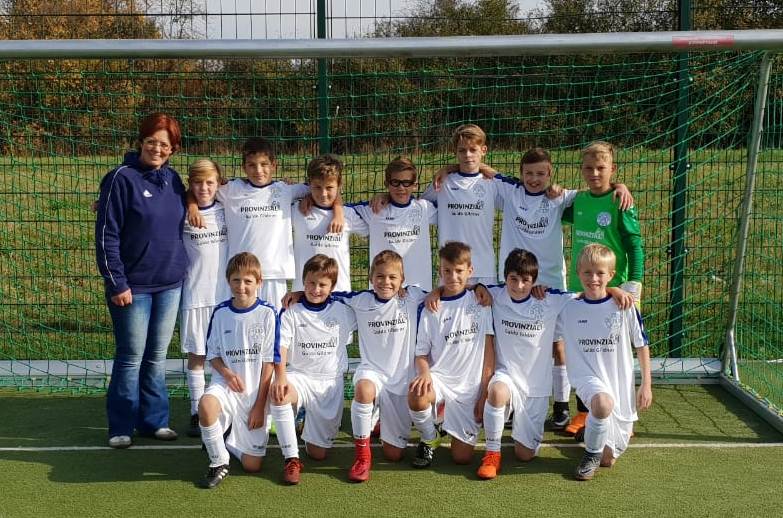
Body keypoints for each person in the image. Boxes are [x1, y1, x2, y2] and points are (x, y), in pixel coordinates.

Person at [476, 249, 632, 480]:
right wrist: (474, 287)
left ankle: (527, 434)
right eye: (513, 279)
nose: (519, 286)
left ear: (534, 281)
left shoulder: (550, 299)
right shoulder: (494, 294)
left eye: (525, 280)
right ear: (505, 276)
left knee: (524, 455)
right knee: (497, 391)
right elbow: (464, 288)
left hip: (536, 387)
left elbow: (587, 292)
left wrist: (613, 289)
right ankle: (492, 454)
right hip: (507, 376)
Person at [95, 112, 188, 448]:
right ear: (140, 142)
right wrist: (116, 282)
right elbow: (107, 235)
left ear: (173, 149)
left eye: (164, 144)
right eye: (151, 141)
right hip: (132, 288)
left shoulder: (174, 179)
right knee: (131, 356)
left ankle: (154, 421)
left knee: (156, 356)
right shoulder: (120, 178)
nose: (157, 148)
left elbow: (195, 204)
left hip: (170, 284)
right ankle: (121, 424)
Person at [187, 138, 343, 310]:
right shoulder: (232, 189)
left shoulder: (285, 189)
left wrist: (338, 211)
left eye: (264, 164)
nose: (258, 170)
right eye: (252, 165)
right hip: (241, 275)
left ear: (274, 165)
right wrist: (192, 207)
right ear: (243, 167)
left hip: (274, 274)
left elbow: (326, 187)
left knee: (273, 325)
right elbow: (197, 189)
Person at [561, 141, 644, 438]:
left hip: (614, 289)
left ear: (613, 169)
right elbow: (551, 211)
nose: (594, 173)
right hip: (579, 289)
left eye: (601, 168)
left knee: (616, 352)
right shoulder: (579, 201)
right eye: (589, 168)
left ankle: (622, 412)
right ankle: (584, 412)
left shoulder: (620, 200)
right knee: (583, 350)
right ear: (581, 170)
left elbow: (635, 245)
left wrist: (633, 283)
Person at [557, 244, 651, 480]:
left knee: (608, 460)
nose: (593, 278)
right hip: (588, 380)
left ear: (611, 275)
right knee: (602, 403)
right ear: (578, 273)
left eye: (600, 273)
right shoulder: (568, 308)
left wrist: (646, 384)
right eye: (587, 272)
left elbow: (641, 344)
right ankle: (589, 456)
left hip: (620, 385)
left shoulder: (624, 306)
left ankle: (592, 431)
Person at [270, 254, 357, 485]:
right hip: (300, 376)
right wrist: (280, 377)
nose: (315, 289)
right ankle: (291, 458)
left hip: (330, 382)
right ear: (303, 281)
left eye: (322, 284)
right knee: (279, 394)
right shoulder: (291, 310)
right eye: (310, 283)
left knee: (318, 454)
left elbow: (375, 302)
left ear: (332, 287)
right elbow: (282, 347)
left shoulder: (345, 310)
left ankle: (304, 422)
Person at [408, 241, 494, 468]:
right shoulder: (431, 307)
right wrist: (425, 373)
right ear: (440, 272)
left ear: (470, 271)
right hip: (441, 380)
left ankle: (442, 417)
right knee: (417, 393)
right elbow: (421, 354)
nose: (453, 276)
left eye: (459, 271)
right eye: (447, 271)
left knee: (461, 458)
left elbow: (488, 353)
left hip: (469, 388)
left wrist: (484, 392)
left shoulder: (481, 302)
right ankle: (429, 437)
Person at [197, 252, 279, 489]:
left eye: (247, 281)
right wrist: (227, 373)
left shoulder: (267, 313)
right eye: (236, 280)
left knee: (253, 465)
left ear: (259, 282)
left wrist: (259, 406)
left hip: (254, 392)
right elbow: (212, 354)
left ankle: (224, 436)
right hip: (226, 384)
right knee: (206, 404)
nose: (241, 286)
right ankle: (218, 461)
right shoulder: (221, 312)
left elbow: (268, 364)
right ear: (228, 280)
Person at [180, 159, 230, 437]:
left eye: (210, 182)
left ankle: (219, 407)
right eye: (197, 183)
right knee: (197, 355)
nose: (203, 188)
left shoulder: (227, 207)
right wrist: (190, 204)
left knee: (222, 355)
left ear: (219, 183)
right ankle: (196, 410)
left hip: (224, 296)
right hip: (196, 295)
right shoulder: (184, 212)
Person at [421, 124, 503, 285]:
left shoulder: (493, 183)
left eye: (473, 150)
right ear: (455, 152)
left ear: (483, 150)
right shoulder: (442, 181)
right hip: (450, 269)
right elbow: (413, 206)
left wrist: (490, 170)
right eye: (462, 150)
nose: (467, 155)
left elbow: (519, 193)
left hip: (484, 270)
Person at [351, 157, 437, 290]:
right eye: (395, 182)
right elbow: (338, 208)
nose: (401, 187)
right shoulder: (375, 209)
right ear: (387, 184)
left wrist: (448, 169)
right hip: (384, 289)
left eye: (406, 182)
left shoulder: (424, 208)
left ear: (415, 185)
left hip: (418, 290)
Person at [292, 155, 365, 293]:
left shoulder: (348, 214)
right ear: (309, 185)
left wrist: (338, 208)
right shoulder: (297, 210)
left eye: (329, 187)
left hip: (338, 293)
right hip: (304, 294)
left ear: (339, 186)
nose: (323, 194)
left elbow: (377, 227)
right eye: (317, 187)